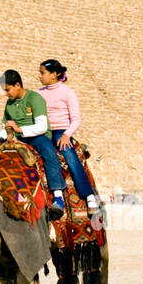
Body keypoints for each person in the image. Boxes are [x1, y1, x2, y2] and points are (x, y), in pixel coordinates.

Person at [0, 69, 66, 216]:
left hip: (36, 136)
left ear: (17, 85)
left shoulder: (35, 98)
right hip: (16, 136)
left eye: (8, 90)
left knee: (48, 150)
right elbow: (5, 126)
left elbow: (42, 126)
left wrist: (19, 129)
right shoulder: (9, 104)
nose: (6, 93)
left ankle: (58, 195)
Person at [37, 59, 99, 209]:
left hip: (61, 131)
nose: (39, 76)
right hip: (43, 131)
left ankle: (88, 195)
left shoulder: (67, 93)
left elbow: (76, 119)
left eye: (42, 73)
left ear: (53, 75)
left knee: (69, 154)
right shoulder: (38, 94)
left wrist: (66, 135)